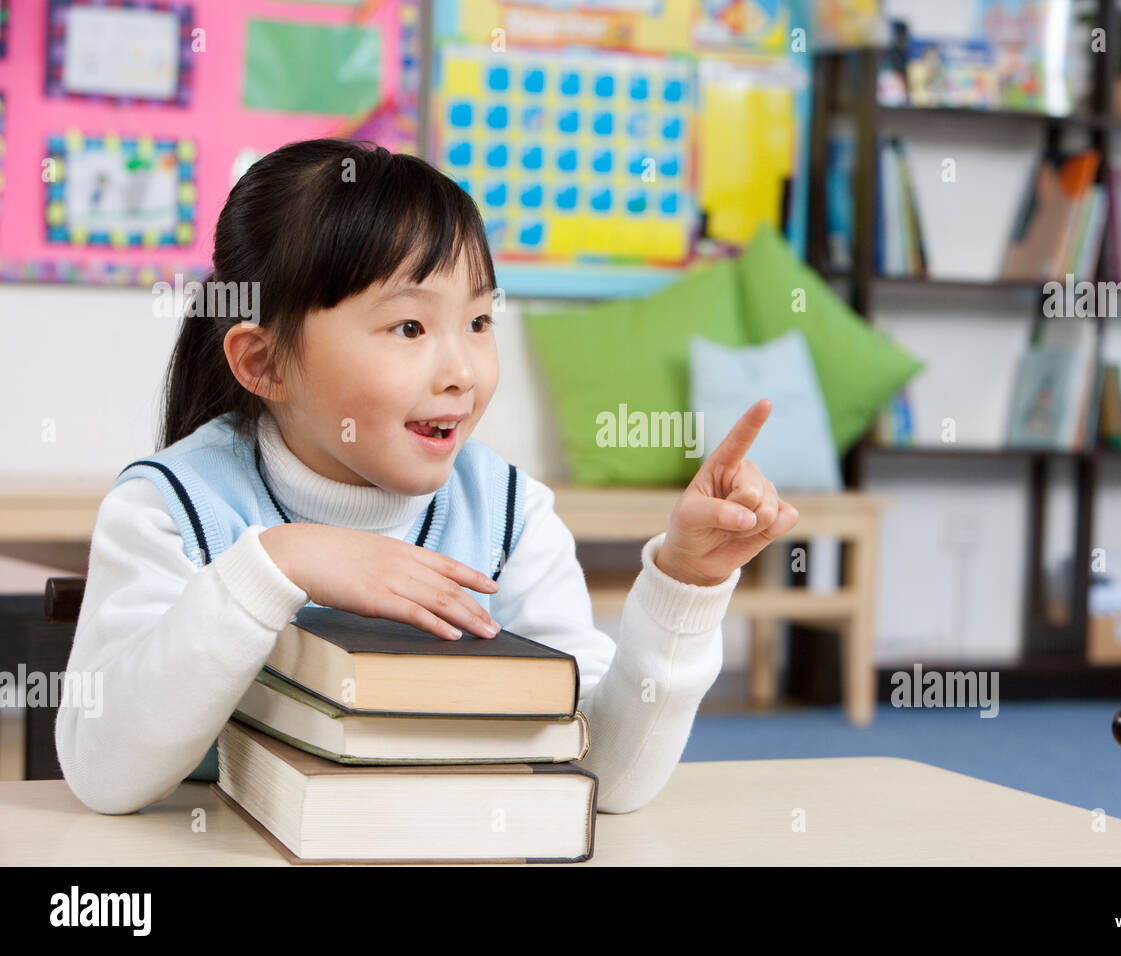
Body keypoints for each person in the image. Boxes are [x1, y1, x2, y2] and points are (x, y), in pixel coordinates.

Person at [55, 138, 798, 816]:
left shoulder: (510, 517)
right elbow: (103, 774)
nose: (462, 373)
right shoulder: (171, 510)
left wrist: (684, 584)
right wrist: (278, 564)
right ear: (264, 362)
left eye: (479, 323)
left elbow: (605, 774)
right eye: (409, 327)